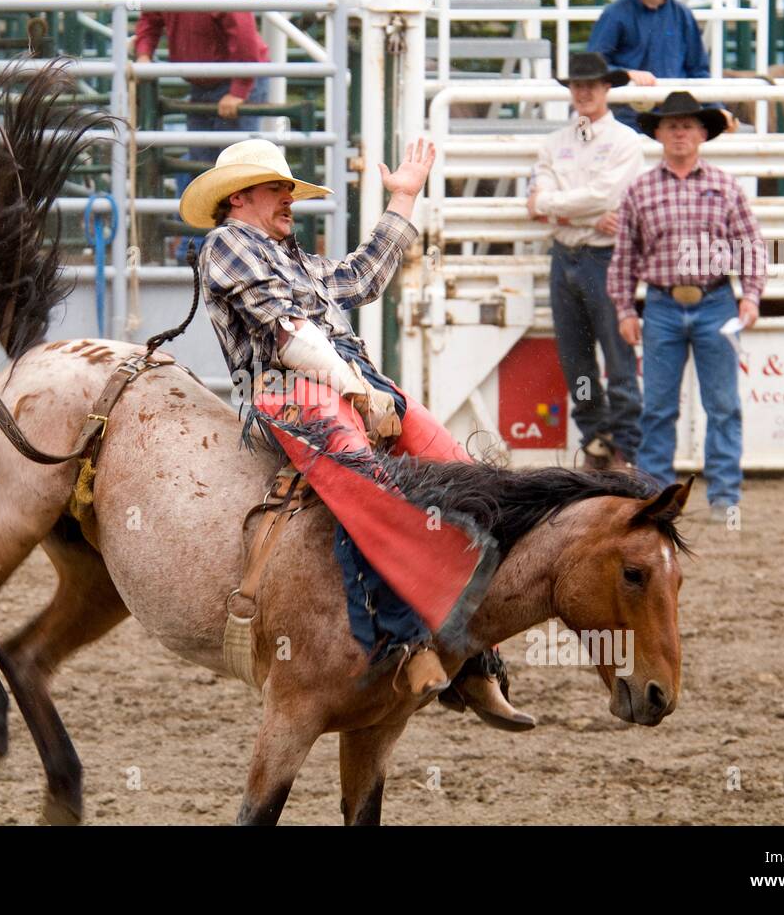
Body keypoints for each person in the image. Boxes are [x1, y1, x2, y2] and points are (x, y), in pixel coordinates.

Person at [180, 138, 536, 730]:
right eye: (278, 187)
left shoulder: (285, 253)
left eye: (290, 188)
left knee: (465, 482)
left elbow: (360, 278)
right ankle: (406, 647)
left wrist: (403, 199)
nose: (289, 198)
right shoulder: (226, 244)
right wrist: (355, 389)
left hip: (353, 381)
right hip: (288, 390)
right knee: (371, 492)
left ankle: (472, 658)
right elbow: (289, 334)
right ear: (238, 196)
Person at [607, 92, 766, 522]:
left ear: (702, 134)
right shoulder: (640, 190)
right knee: (658, 406)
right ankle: (658, 495)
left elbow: (750, 247)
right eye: (672, 125)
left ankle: (724, 495)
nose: (680, 133)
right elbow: (625, 256)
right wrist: (625, 309)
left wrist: (750, 296)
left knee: (724, 404)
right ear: (657, 133)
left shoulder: (725, 186)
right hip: (661, 304)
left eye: (688, 125)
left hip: (716, 301)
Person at [528, 52, 644, 469]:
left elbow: (604, 197)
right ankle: (597, 436)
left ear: (606, 88)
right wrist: (582, 212)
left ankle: (627, 448)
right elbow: (555, 200)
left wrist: (554, 208)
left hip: (605, 257)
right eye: (578, 85)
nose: (584, 92)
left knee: (617, 356)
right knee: (575, 357)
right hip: (568, 255)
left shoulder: (625, 142)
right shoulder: (555, 143)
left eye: (592, 84)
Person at [132, 0, 270, 170]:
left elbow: (242, 30)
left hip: (236, 79)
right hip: (206, 81)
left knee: (234, 169)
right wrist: (143, 55)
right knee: (205, 166)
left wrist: (239, 90)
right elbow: (150, 17)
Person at [587, 0, 735, 135]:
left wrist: (716, 108)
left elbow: (698, 70)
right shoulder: (615, 14)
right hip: (626, 118)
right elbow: (594, 66)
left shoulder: (683, 15)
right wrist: (626, 75)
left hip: (675, 117)